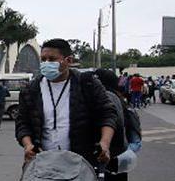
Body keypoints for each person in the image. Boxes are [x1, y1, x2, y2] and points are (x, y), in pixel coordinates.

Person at [15, 39, 117, 172]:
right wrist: (28, 145)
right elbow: (22, 122)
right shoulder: (30, 90)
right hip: (42, 164)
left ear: (68, 61)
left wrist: (104, 143)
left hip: (81, 163)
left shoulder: (87, 84)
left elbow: (107, 114)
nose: (46, 63)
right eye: (43, 59)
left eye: (52, 59)